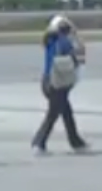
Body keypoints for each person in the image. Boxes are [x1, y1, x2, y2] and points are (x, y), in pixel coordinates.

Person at [32, 15, 90, 155]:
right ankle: (39, 143)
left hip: (47, 81)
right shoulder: (65, 42)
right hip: (58, 84)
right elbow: (80, 57)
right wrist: (76, 35)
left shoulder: (49, 40)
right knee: (52, 115)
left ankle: (76, 142)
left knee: (66, 113)